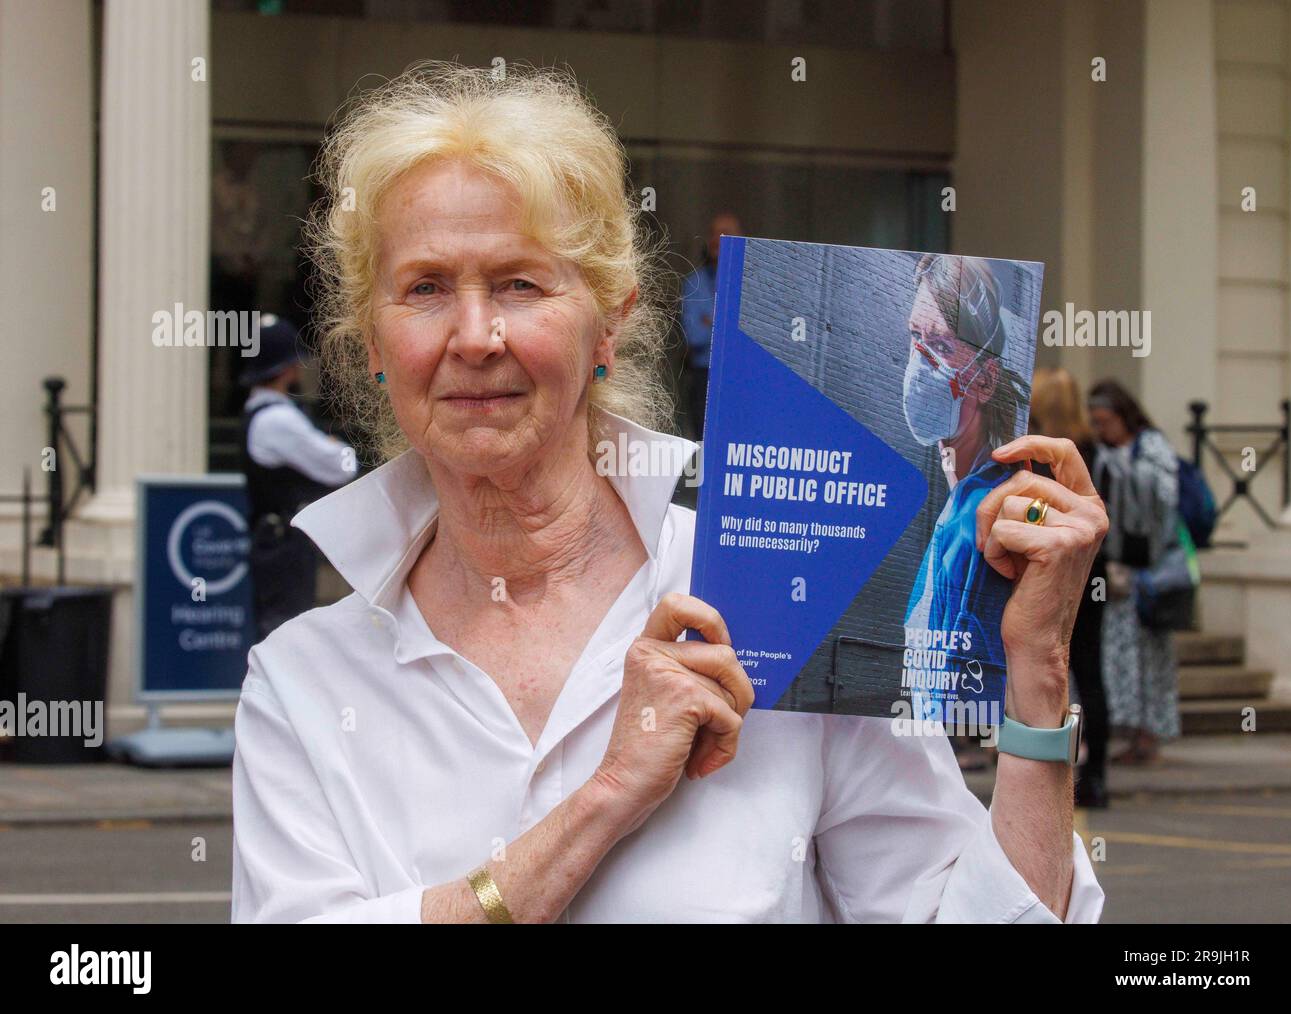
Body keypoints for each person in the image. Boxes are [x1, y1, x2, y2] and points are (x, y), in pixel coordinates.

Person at [231, 61, 1108, 924]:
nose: (474, 335)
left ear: (610, 320)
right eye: (424, 289)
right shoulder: (305, 684)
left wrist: (1038, 681)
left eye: (520, 283)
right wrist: (607, 797)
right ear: (374, 345)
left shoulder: (776, 599)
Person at [900, 254, 1031, 749]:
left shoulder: (982, 515)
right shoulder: (963, 499)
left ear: (986, 378)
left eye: (938, 346)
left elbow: (961, 703)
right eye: (915, 338)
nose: (919, 362)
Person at [240, 314, 356, 640]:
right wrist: (335, 446)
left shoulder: (256, 413)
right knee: (286, 636)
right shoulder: (279, 420)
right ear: (287, 368)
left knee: (280, 633)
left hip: (272, 541)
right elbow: (343, 464)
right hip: (284, 547)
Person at [1088, 379, 1181, 765]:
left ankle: (1149, 735)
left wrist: (1125, 473)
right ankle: (1130, 732)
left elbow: (1166, 498)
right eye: (1095, 422)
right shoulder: (1102, 452)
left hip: (1150, 570)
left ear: (1124, 416)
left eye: (1106, 421)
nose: (1101, 430)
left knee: (1152, 656)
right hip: (1120, 570)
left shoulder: (1151, 447)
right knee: (1121, 656)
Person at [1031, 368, 1110, 807]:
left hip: (1049, 570)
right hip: (1092, 571)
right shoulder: (1096, 453)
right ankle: (1095, 773)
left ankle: (1043, 766)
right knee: (1088, 671)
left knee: (1043, 669)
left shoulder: (1039, 456)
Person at [679, 212, 741, 439]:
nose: (718, 239)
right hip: (703, 378)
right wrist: (727, 320)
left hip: (739, 377)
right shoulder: (693, 283)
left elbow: (748, 336)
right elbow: (694, 335)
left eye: (726, 234)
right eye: (714, 233)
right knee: (704, 446)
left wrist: (711, 320)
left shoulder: (751, 285)